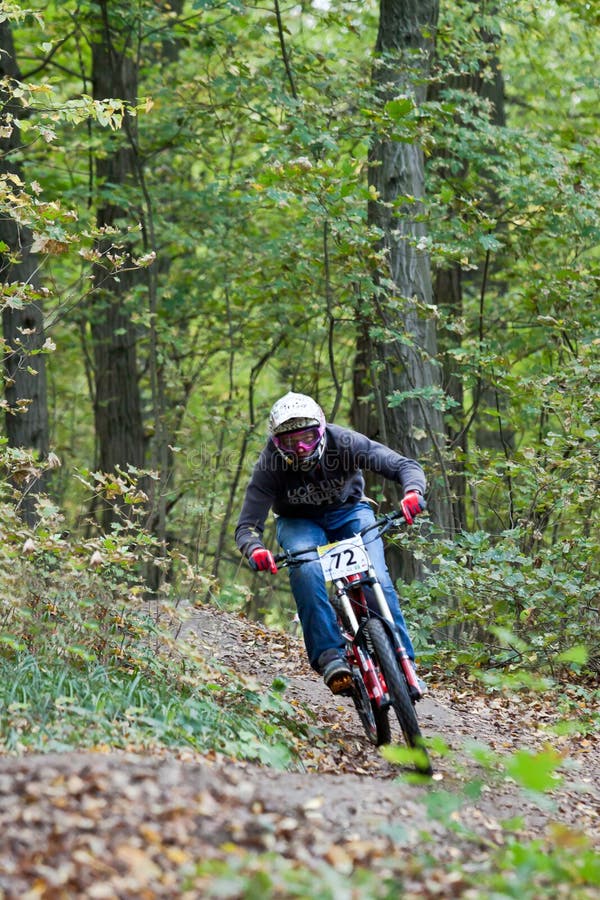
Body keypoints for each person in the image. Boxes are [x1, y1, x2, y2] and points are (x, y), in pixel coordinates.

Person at [234, 391, 426, 695]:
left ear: (321, 430)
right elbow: (247, 526)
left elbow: (403, 465)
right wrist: (255, 548)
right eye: (289, 441)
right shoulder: (269, 464)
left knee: (377, 577)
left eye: (307, 437)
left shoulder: (344, 442)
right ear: (276, 442)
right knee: (306, 568)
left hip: (350, 511)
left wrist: (413, 492)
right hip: (299, 522)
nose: (300, 447)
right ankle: (330, 657)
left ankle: (403, 661)